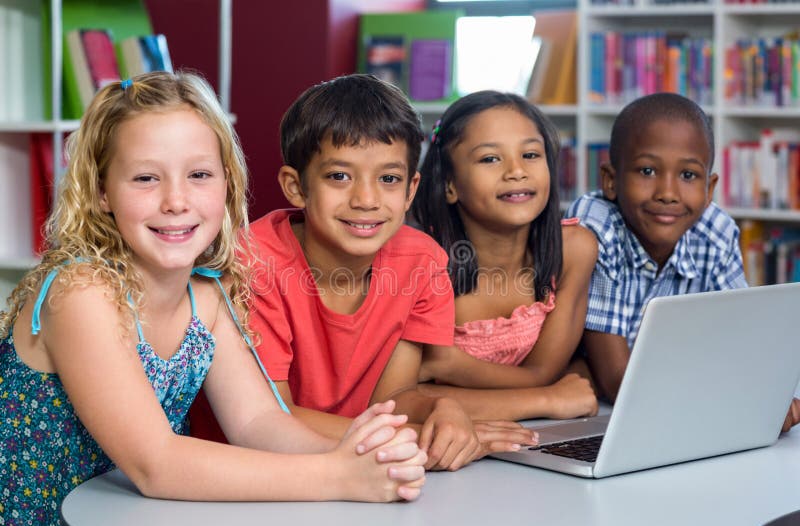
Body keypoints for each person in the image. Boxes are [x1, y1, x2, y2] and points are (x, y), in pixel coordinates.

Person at [0, 72, 428, 526]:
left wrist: (363, 455)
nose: (176, 201)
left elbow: (257, 421)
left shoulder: (206, 294)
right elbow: (156, 464)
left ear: (227, 182)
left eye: (199, 175)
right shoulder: (81, 293)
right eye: (146, 178)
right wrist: (336, 476)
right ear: (102, 191)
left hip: (131, 519)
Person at [190, 74, 537, 471]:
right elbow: (272, 417)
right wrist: (414, 439)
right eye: (339, 176)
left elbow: (393, 398)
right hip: (241, 474)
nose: (367, 199)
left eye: (389, 179)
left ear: (410, 190)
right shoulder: (252, 263)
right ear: (296, 186)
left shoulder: (422, 263)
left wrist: (443, 410)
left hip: (356, 470)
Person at [564, 92, 800, 431]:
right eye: (647, 171)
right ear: (611, 180)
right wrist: (733, 402)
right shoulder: (597, 226)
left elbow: (742, 341)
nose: (668, 193)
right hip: (600, 410)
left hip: (671, 399)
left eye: (688, 175)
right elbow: (617, 381)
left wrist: (767, 396)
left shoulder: (715, 233)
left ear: (709, 189)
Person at [408, 90, 598, 422]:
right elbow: (400, 399)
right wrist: (549, 400)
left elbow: (542, 372)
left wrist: (449, 365)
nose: (516, 171)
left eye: (530, 154)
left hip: (532, 432)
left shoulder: (573, 250)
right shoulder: (421, 266)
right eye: (490, 159)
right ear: (450, 185)